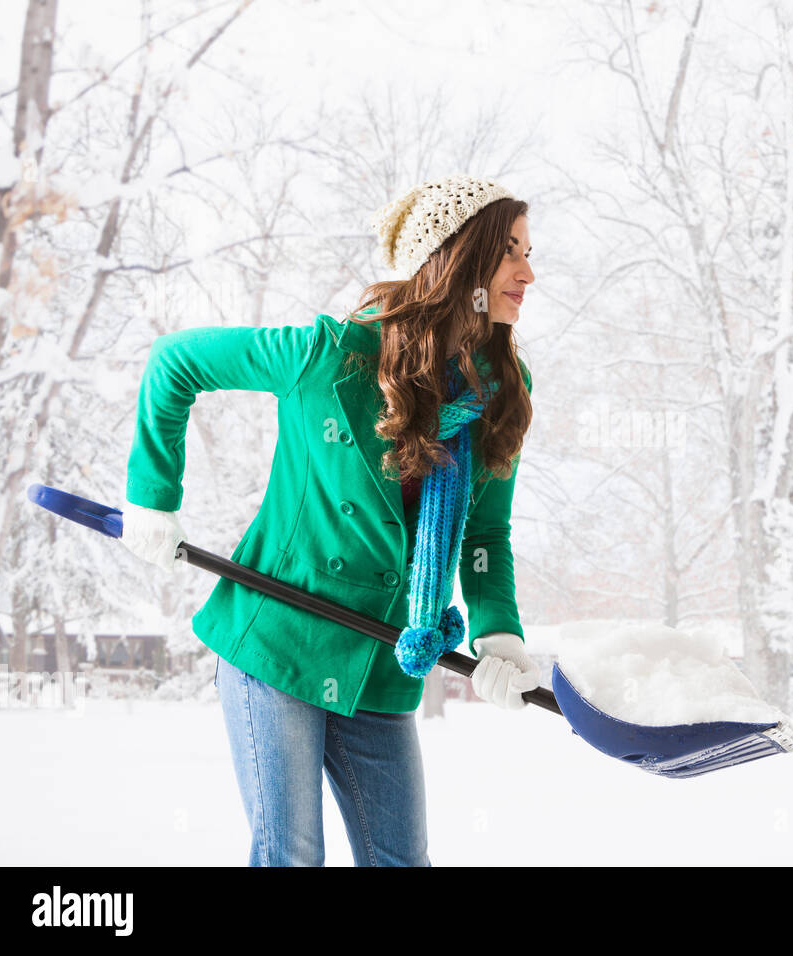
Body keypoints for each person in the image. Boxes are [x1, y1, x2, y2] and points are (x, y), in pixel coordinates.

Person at [120, 174, 542, 866]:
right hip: (276, 639)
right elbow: (175, 364)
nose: (530, 273)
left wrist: (500, 635)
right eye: (512, 253)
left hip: (379, 655)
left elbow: (484, 534)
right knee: (292, 854)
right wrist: (153, 497)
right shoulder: (327, 356)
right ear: (460, 259)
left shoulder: (502, 388)